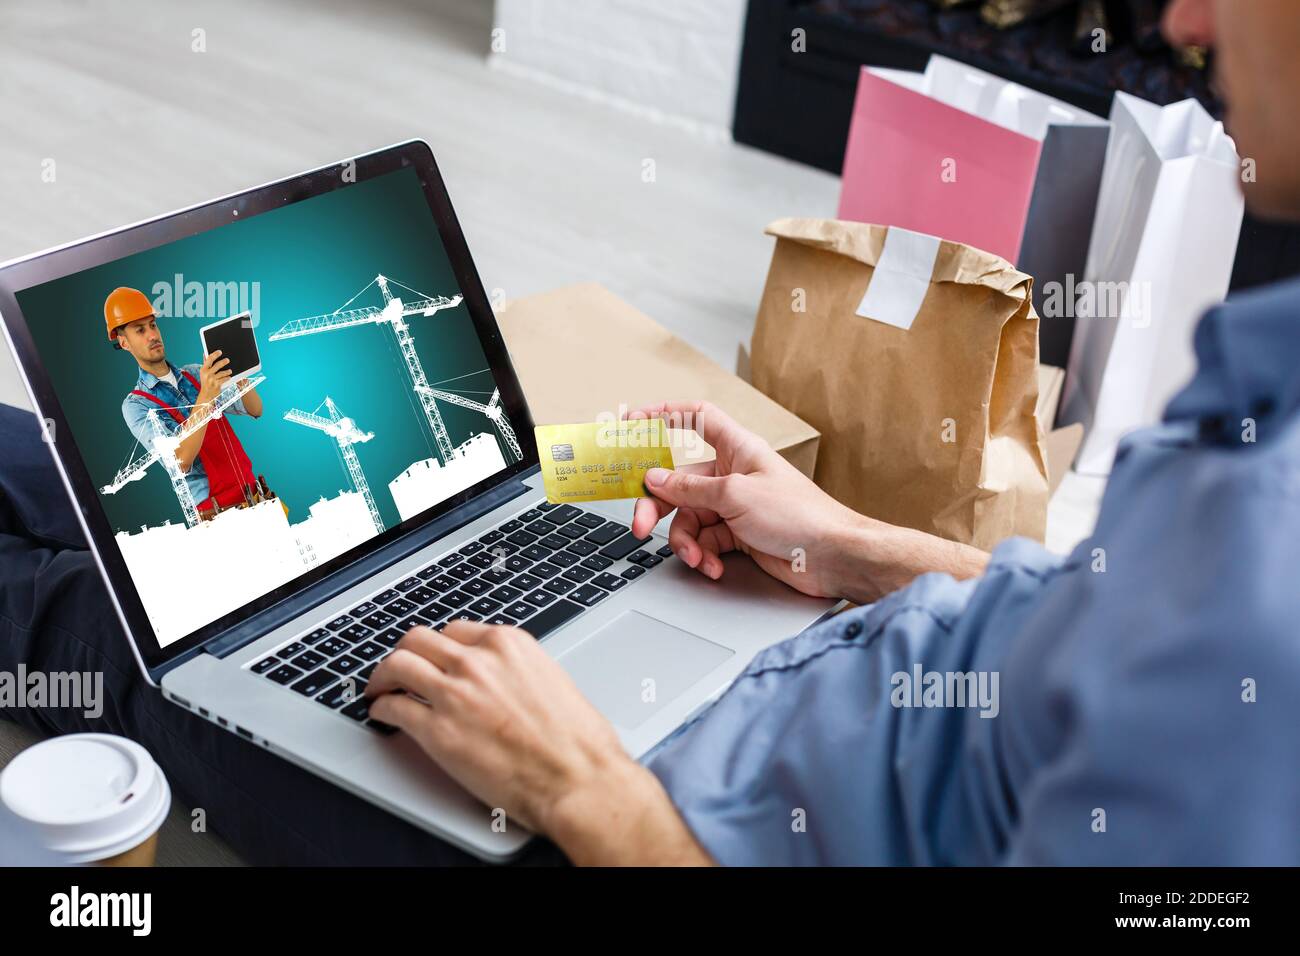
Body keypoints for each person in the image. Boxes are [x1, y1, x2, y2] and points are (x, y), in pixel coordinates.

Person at [1, 0, 1296, 865]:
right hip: (802, 670)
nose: (1186, 18)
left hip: (649, 814)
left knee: (118, 636)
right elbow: (1100, 643)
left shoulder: (1262, 597)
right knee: (77, 490)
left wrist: (582, 791)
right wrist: (855, 546)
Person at [108, 287, 270, 520]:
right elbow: (180, 461)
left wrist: (239, 370)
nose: (152, 335)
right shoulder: (137, 406)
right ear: (124, 342)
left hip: (253, 495)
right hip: (216, 514)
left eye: (153, 325)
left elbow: (256, 409)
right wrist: (205, 395)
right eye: (140, 330)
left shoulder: (196, 373)